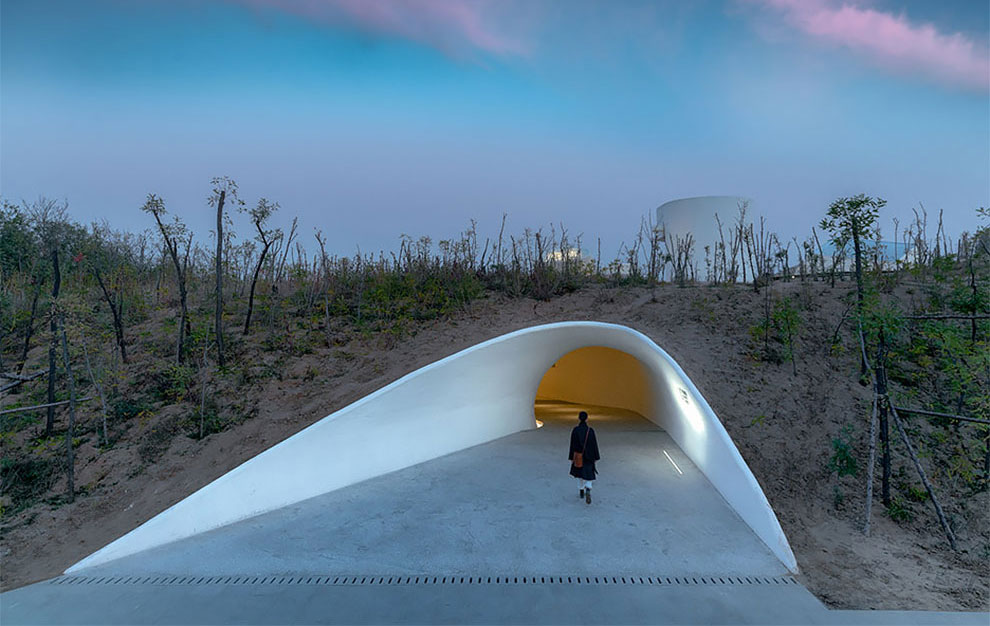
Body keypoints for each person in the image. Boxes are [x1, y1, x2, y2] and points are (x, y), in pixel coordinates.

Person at [568, 411, 600, 504]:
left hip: (578, 456)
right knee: (589, 473)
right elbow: (594, 444)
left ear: (579, 418)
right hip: (589, 456)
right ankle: (588, 489)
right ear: (587, 419)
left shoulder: (575, 430)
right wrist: (596, 457)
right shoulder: (590, 431)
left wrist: (571, 457)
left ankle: (581, 490)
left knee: (579, 474)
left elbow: (572, 445)